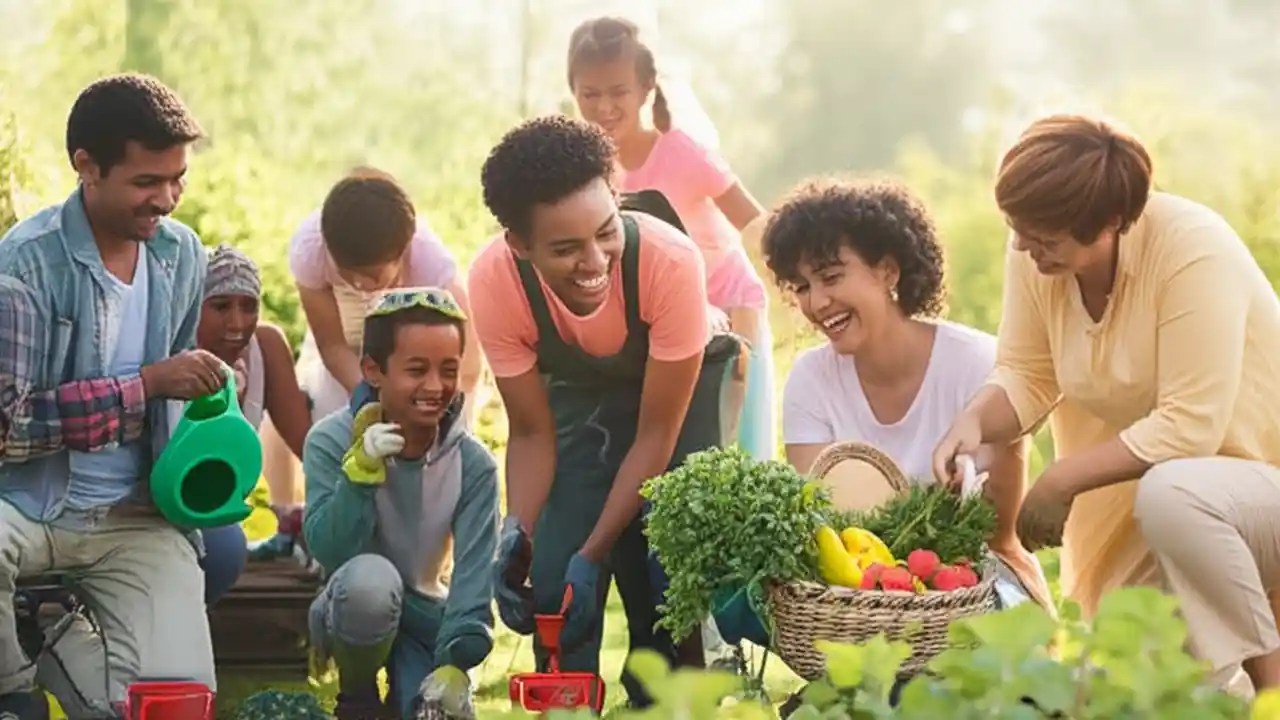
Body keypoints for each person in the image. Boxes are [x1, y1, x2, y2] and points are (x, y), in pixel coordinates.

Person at [932, 114, 1280, 694]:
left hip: (1255, 490)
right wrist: (971, 423)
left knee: (1174, 494)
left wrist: (1062, 479)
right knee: (1113, 688)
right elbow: (1027, 372)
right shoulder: (1035, 246)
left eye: (1044, 238)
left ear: (1113, 222)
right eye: (1017, 229)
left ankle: (1272, 685)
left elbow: (1191, 427)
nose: (1023, 247)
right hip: (1162, 517)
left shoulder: (1193, 249)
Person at [471, 114, 744, 708]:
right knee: (552, 580)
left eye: (605, 231)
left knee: (666, 560)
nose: (594, 261)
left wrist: (594, 553)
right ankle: (570, 695)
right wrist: (519, 530)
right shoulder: (496, 281)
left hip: (679, 399)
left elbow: (655, 436)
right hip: (580, 395)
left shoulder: (669, 263)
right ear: (520, 244)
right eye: (565, 248)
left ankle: (672, 689)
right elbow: (533, 433)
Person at [0, 73, 221, 718]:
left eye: (177, 178)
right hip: (27, 506)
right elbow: (7, 429)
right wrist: (144, 386)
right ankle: (13, 686)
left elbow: (173, 407)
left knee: (176, 706)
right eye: (147, 182)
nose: (168, 198)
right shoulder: (24, 266)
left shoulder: (182, 256)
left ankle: (54, 643)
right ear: (86, 167)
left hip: (135, 517)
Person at [764, 177, 1051, 609]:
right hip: (861, 599)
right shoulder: (809, 380)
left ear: (888, 271)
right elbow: (825, 531)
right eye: (801, 287)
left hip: (981, 585)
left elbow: (999, 532)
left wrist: (959, 500)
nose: (817, 302)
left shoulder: (979, 365)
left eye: (830, 277)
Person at [566, 16, 776, 463]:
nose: (604, 107)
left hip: (727, 305)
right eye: (591, 94)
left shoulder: (680, 152)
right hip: (657, 312)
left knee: (729, 440)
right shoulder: (583, 168)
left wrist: (803, 277)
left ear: (645, 88)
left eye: (618, 92)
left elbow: (756, 225)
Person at [253, 168, 483, 561]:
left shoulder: (431, 264)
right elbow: (332, 345)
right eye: (351, 275)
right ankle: (298, 521)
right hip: (345, 331)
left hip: (419, 339)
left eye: (372, 275)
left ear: (404, 251)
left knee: (439, 449)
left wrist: (432, 407)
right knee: (325, 422)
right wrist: (368, 396)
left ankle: (431, 560)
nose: (362, 285)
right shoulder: (311, 250)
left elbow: (468, 364)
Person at [302, 288, 498, 720]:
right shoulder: (330, 441)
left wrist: (455, 662)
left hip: (428, 616)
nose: (435, 386)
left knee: (427, 711)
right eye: (416, 370)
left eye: (448, 369)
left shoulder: (473, 464)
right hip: (354, 606)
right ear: (373, 370)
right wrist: (360, 474)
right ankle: (357, 697)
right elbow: (330, 551)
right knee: (371, 581)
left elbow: (473, 574)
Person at [179, 244, 314, 604]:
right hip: (163, 509)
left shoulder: (263, 348)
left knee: (224, 547)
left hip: (219, 516)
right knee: (223, 548)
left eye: (249, 306)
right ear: (193, 306)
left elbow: (309, 446)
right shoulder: (174, 353)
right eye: (221, 307)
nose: (237, 323)